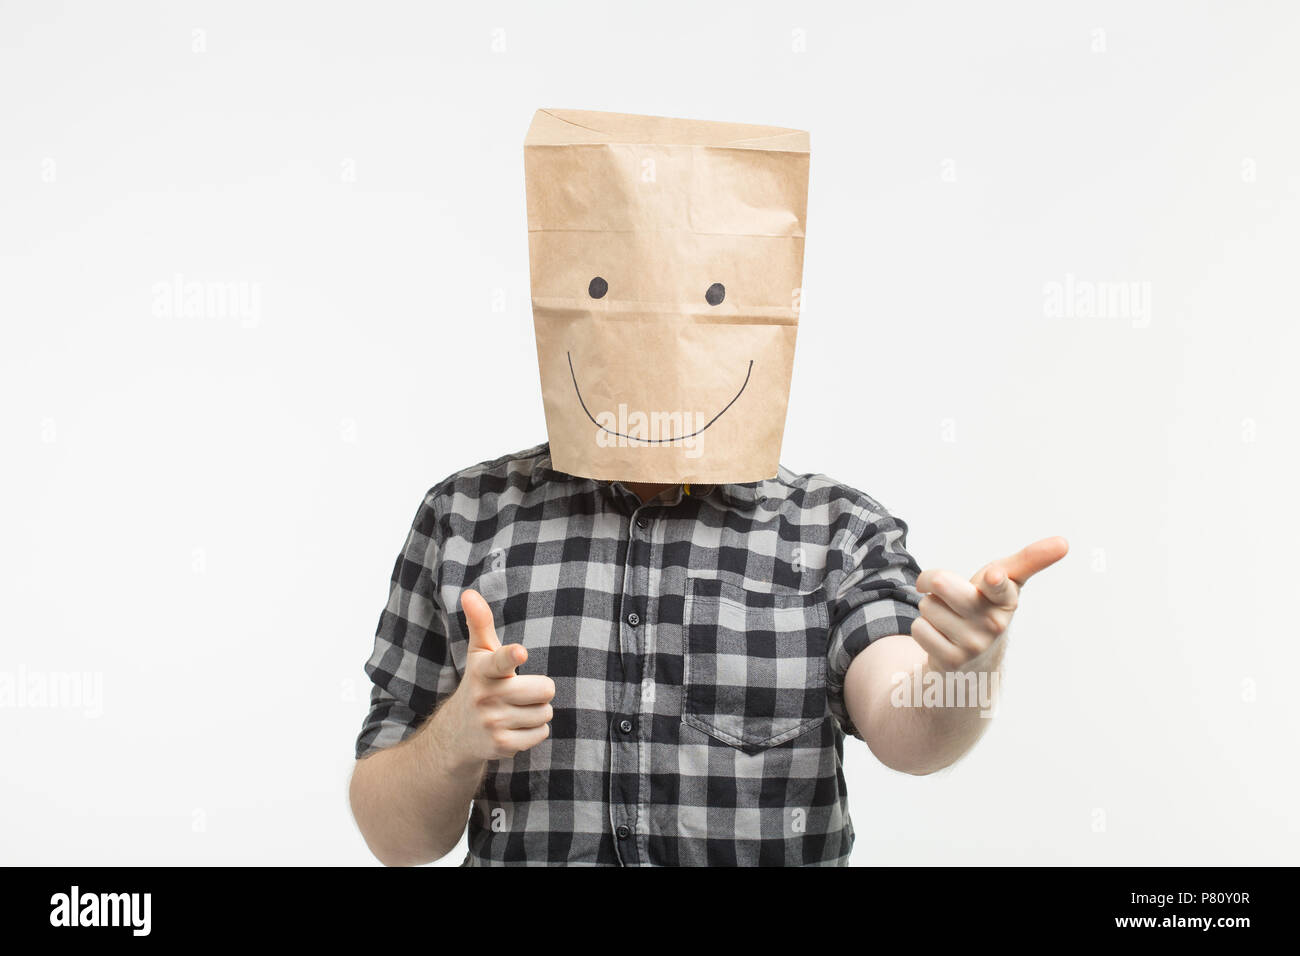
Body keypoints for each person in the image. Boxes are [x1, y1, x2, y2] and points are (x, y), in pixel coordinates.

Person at [347, 109, 1067, 865]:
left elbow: (908, 733)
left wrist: (966, 668)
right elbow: (393, 837)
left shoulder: (836, 533)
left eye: (715, 298)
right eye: (603, 288)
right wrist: (456, 739)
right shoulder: (464, 516)